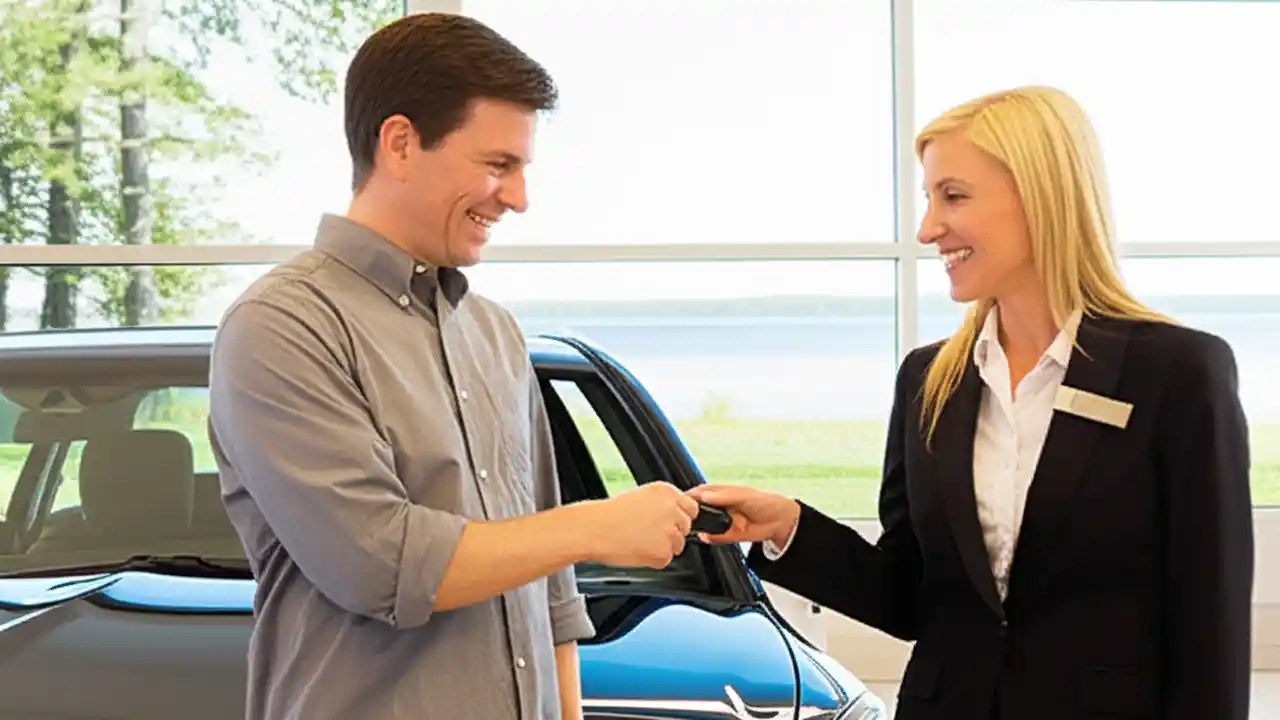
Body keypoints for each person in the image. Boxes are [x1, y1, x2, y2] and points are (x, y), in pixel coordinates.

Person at [689, 86, 1254, 719]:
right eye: (929, 199)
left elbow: (1211, 623)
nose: (929, 228)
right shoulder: (929, 381)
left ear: (1040, 197)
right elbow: (909, 598)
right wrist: (789, 526)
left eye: (953, 196)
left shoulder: (1177, 373)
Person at [207, 13, 699, 720]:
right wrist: (598, 526)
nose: (519, 198)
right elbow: (380, 565)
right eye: (498, 165)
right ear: (401, 144)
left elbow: (551, 591)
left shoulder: (494, 333)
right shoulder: (282, 326)